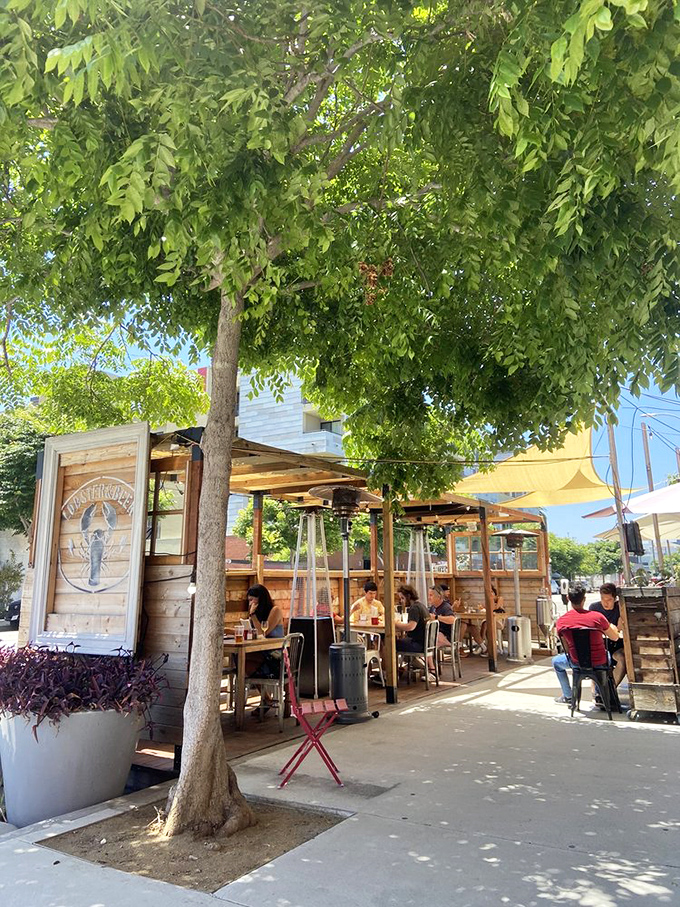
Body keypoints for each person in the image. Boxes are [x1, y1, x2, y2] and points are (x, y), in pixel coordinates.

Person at [552, 584, 620, 704]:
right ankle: (600, 694)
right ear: (584, 599)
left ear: (568, 598)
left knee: (556, 662)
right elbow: (614, 637)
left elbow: (567, 649)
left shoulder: (561, 621)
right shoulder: (597, 617)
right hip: (600, 661)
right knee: (607, 657)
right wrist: (613, 627)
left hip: (577, 661)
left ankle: (568, 696)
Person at [244, 584, 284, 696]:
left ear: (260, 598)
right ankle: (266, 698)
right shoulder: (257, 615)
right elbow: (253, 633)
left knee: (243, 661)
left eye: (252, 599)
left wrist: (253, 615)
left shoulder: (275, 610)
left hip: (275, 655)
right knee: (241, 661)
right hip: (262, 652)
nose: (250, 603)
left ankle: (266, 699)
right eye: (249, 600)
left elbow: (262, 633)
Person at [589, 582, 626, 688]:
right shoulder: (594, 608)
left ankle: (610, 690)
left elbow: (620, 630)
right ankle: (598, 692)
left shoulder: (620, 608)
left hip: (616, 645)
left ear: (615, 599)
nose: (605, 603)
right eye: (602, 599)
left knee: (622, 659)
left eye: (609, 600)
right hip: (600, 645)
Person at [395, 583, 433, 681]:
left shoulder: (414, 609)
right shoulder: (422, 606)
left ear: (408, 597)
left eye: (402, 598)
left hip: (418, 644)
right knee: (401, 641)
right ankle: (410, 667)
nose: (401, 601)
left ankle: (392, 674)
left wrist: (396, 623)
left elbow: (411, 627)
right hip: (427, 643)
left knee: (391, 644)